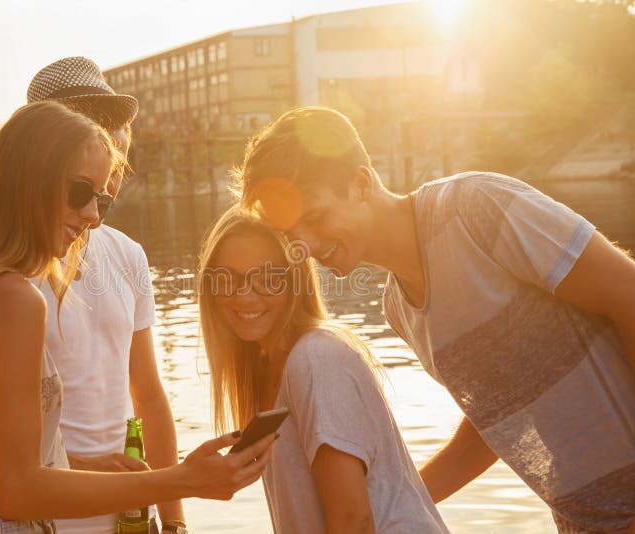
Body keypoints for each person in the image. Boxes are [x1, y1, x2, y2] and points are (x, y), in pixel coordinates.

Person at [234, 106, 635, 533]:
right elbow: (497, 422)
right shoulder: (400, 310)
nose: (307, 245)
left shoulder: (473, 209)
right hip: (585, 521)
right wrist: (393, 498)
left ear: (361, 183)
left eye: (315, 218)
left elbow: (626, 291)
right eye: (293, 232)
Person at [0, 101, 276, 532]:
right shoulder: (12, 300)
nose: (92, 215)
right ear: (29, 180)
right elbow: (17, 491)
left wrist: (87, 465)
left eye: (101, 200)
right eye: (79, 192)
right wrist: (183, 480)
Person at [197, 205, 450, 533]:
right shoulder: (265, 368)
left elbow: (352, 522)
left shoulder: (315, 358)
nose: (245, 296)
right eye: (228, 279)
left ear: (295, 281)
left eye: (268, 278)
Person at [26, 56, 185, 534]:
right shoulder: (14, 269)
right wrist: (87, 469)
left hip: (129, 515)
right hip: (46, 515)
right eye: (104, 154)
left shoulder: (128, 255)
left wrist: (173, 520)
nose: (113, 177)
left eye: (121, 156)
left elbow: (149, 396)